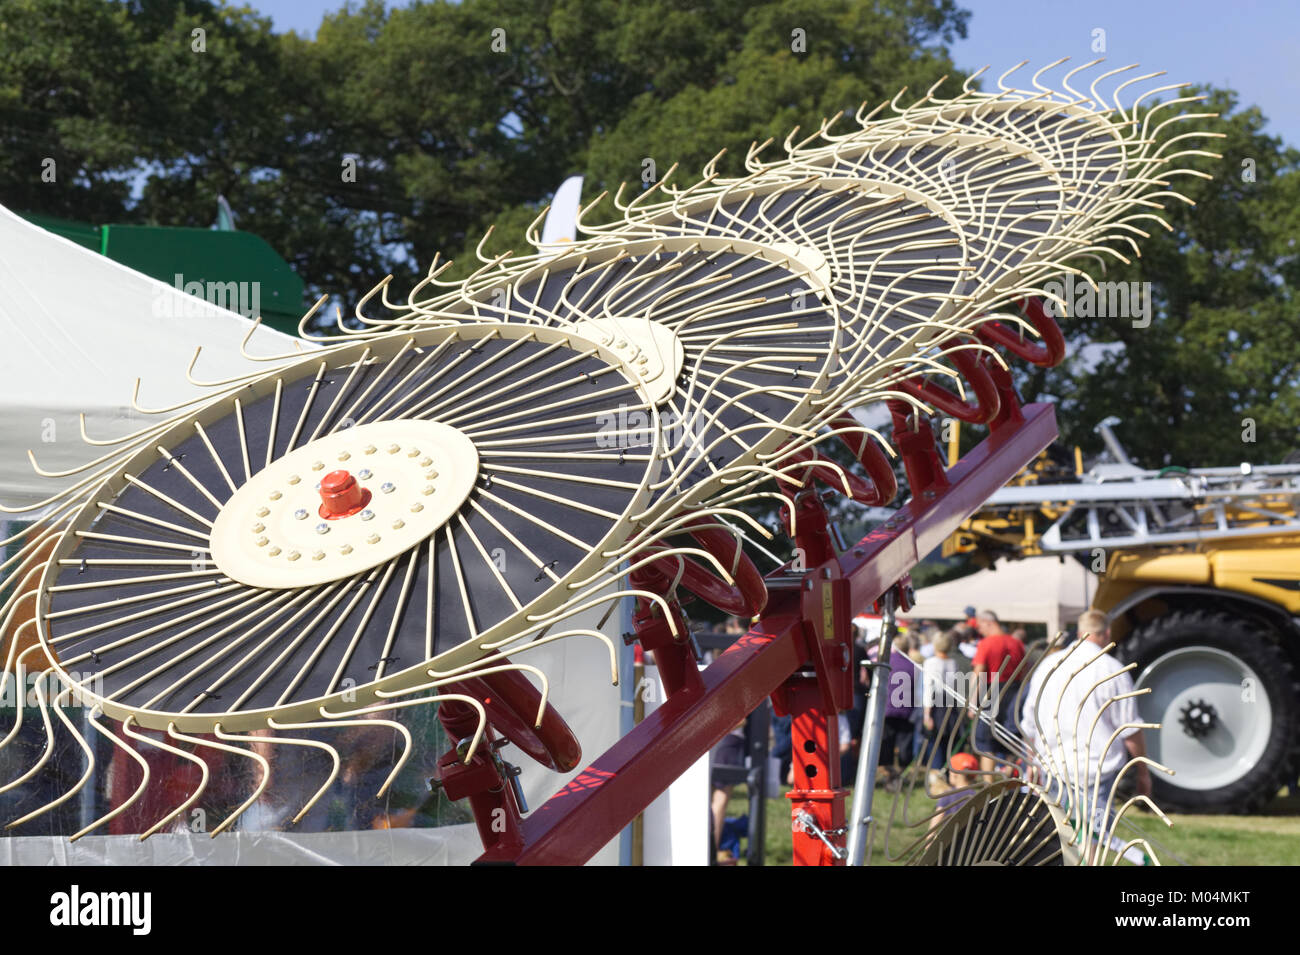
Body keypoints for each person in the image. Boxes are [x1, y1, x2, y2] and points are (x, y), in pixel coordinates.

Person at [1019, 609, 1152, 857]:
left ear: (1079, 632)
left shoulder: (1049, 664)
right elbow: (1130, 729)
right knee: (1091, 839)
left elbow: (1030, 720)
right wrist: (1143, 772)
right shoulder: (1111, 668)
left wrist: (1030, 761)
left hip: (1052, 766)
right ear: (1107, 633)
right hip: (1095, 769)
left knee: (1055, 837)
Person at [971, 610, 1027, 775]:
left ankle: (988, 783)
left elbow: (979, 672)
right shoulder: (1017, 643)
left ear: (989, 622)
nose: (979, 630)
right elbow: (1024, 671)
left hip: (992, 691)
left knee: (985, 742)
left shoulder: (986, 643)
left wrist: (972, 702)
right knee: (1011, 739)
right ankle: (1008, 780)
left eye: (980, 626)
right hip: (1015, 691)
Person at [920, 628, 963, 791]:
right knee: (948, 742)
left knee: (936, 742)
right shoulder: (953, 663)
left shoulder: (930, 663)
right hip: (950, 706)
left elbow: (928, 689)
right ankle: (947, 776)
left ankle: (937, 778)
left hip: (936, 706)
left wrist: (926, 714)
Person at [929, 751, 980, 832]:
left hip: (950, 841)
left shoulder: (948, 794)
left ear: (954, 774)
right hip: (970, 840)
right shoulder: (977, 796)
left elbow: (936, 821)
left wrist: (929, 840)